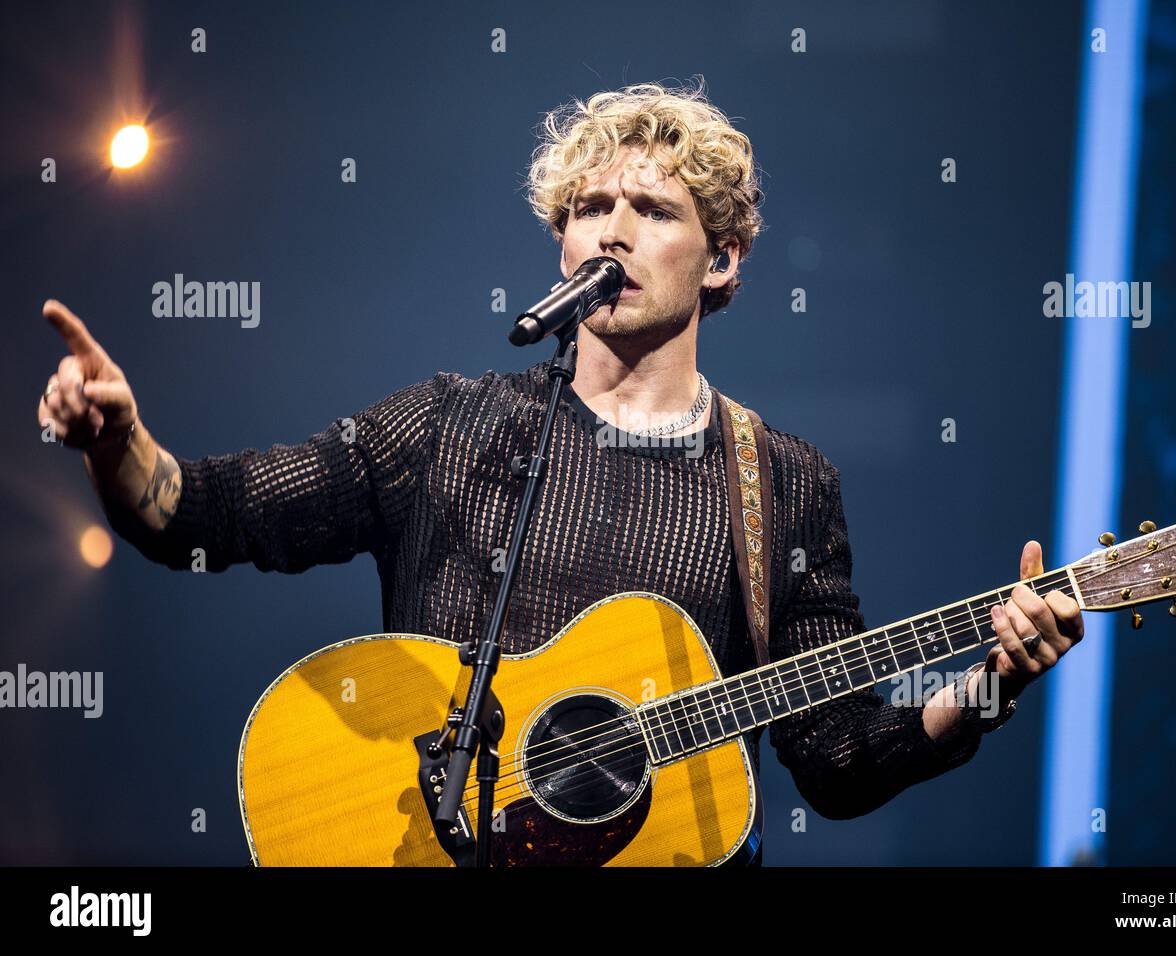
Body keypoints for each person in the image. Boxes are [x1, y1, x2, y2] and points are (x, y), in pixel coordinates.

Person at [35, 80, 1083, 860]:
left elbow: (837, 757)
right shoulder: (454, 424)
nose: (613, 229)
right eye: (589, 209)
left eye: (655, 210)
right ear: (560, 245)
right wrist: (117, 442)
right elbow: (210, 517)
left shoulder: (783, 480)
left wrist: (989, 681)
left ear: (720, 259)